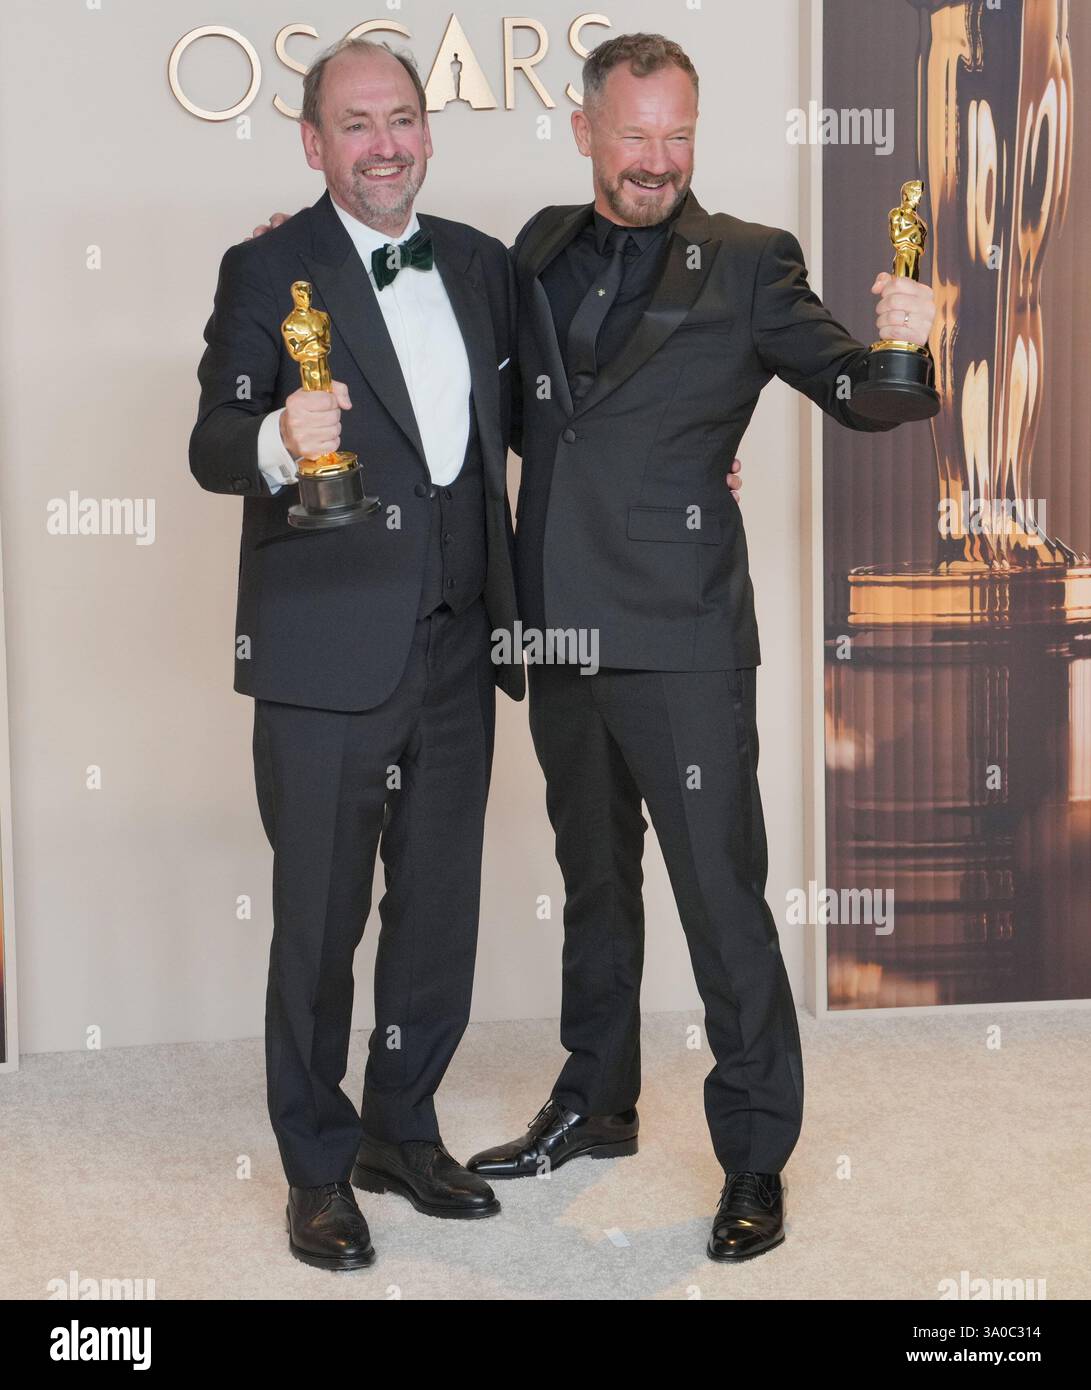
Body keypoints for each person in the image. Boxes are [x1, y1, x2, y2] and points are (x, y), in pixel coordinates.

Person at [463, 32, 934, 1264]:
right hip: (561, 632)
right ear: (585, 132)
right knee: (595, 887)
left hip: (681, 640)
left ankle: (753, 1158)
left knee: (720, 900)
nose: (657, 159)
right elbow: (507, 415)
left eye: (677, 134)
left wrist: (903, 342)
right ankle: (595, 1101)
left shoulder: (746, 262)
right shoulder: (537, 249)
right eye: (634, 135)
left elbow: (855, 394)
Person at [189, 36, 524, 1270]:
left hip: (455, 641)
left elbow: (548, 419)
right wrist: (277, 432)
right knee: (319, 919)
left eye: (401, 119)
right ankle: (317, 1167)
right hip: (326, 651)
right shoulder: (267, 264)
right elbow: (210, 440)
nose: (384, 145)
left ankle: (401, 1126)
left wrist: (690, 462)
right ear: (314, 143)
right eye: (357, 124)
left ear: (425, 130)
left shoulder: (482, 266)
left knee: (437, 911)